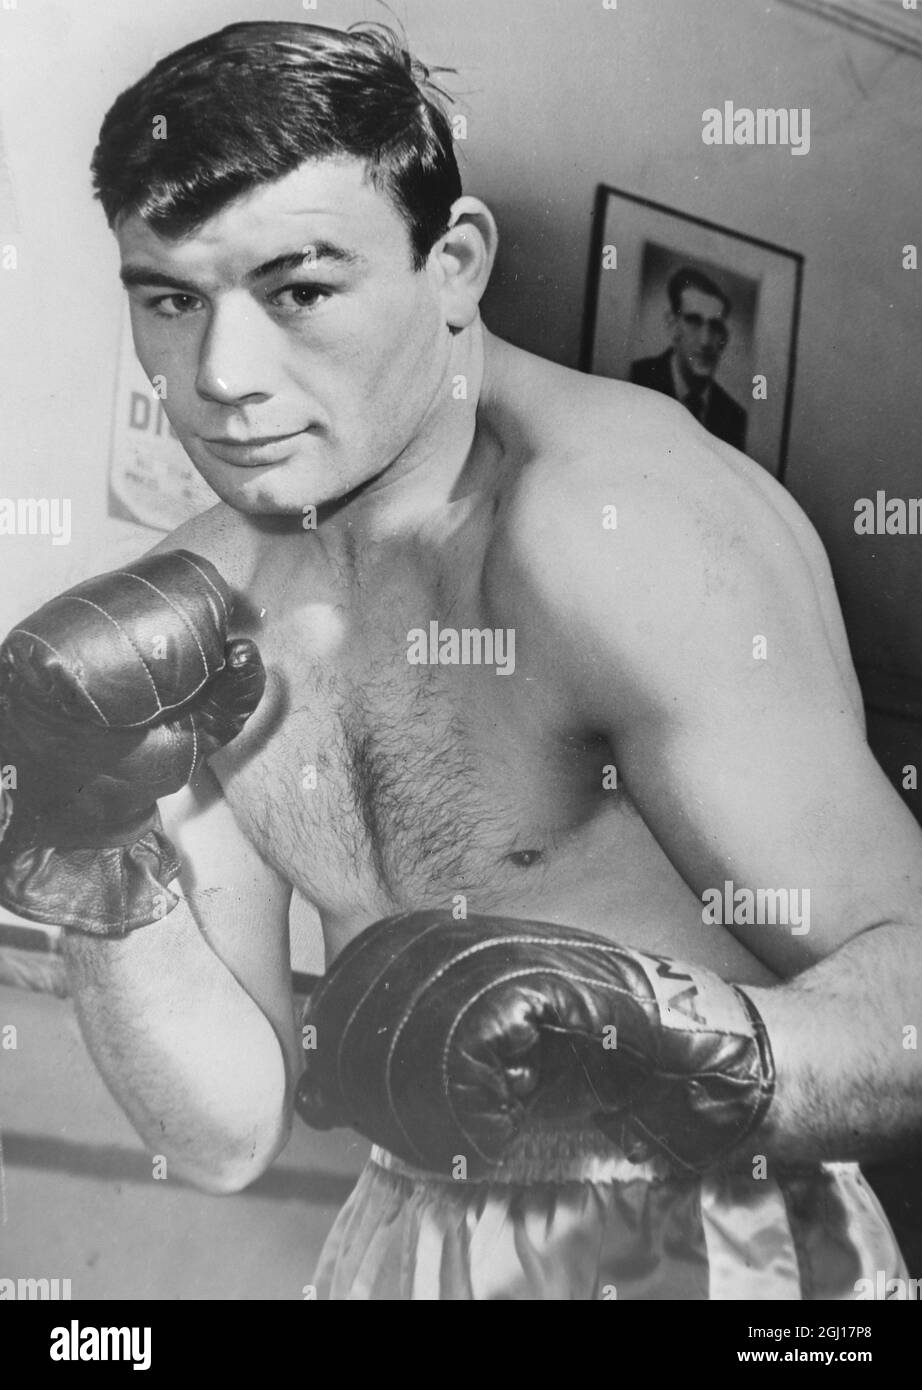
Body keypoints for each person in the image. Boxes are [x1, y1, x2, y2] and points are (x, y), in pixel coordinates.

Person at [2, 20, 921, 1301]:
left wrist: (660, 1043)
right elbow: (221, 1132)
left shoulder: (618, 533)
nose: (219, 375)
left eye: (299, 290)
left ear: (455, 266)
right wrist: (99, 852)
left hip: (720, 1241)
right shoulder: (208, 598)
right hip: (405, 1230)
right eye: (170, 300)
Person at [630, 266, 748, 451]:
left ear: (724, 339)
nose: (705, 341)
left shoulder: (735, 418)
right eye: (694, 321)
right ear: (673, 325)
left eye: (715, 326)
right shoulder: (635, 379)